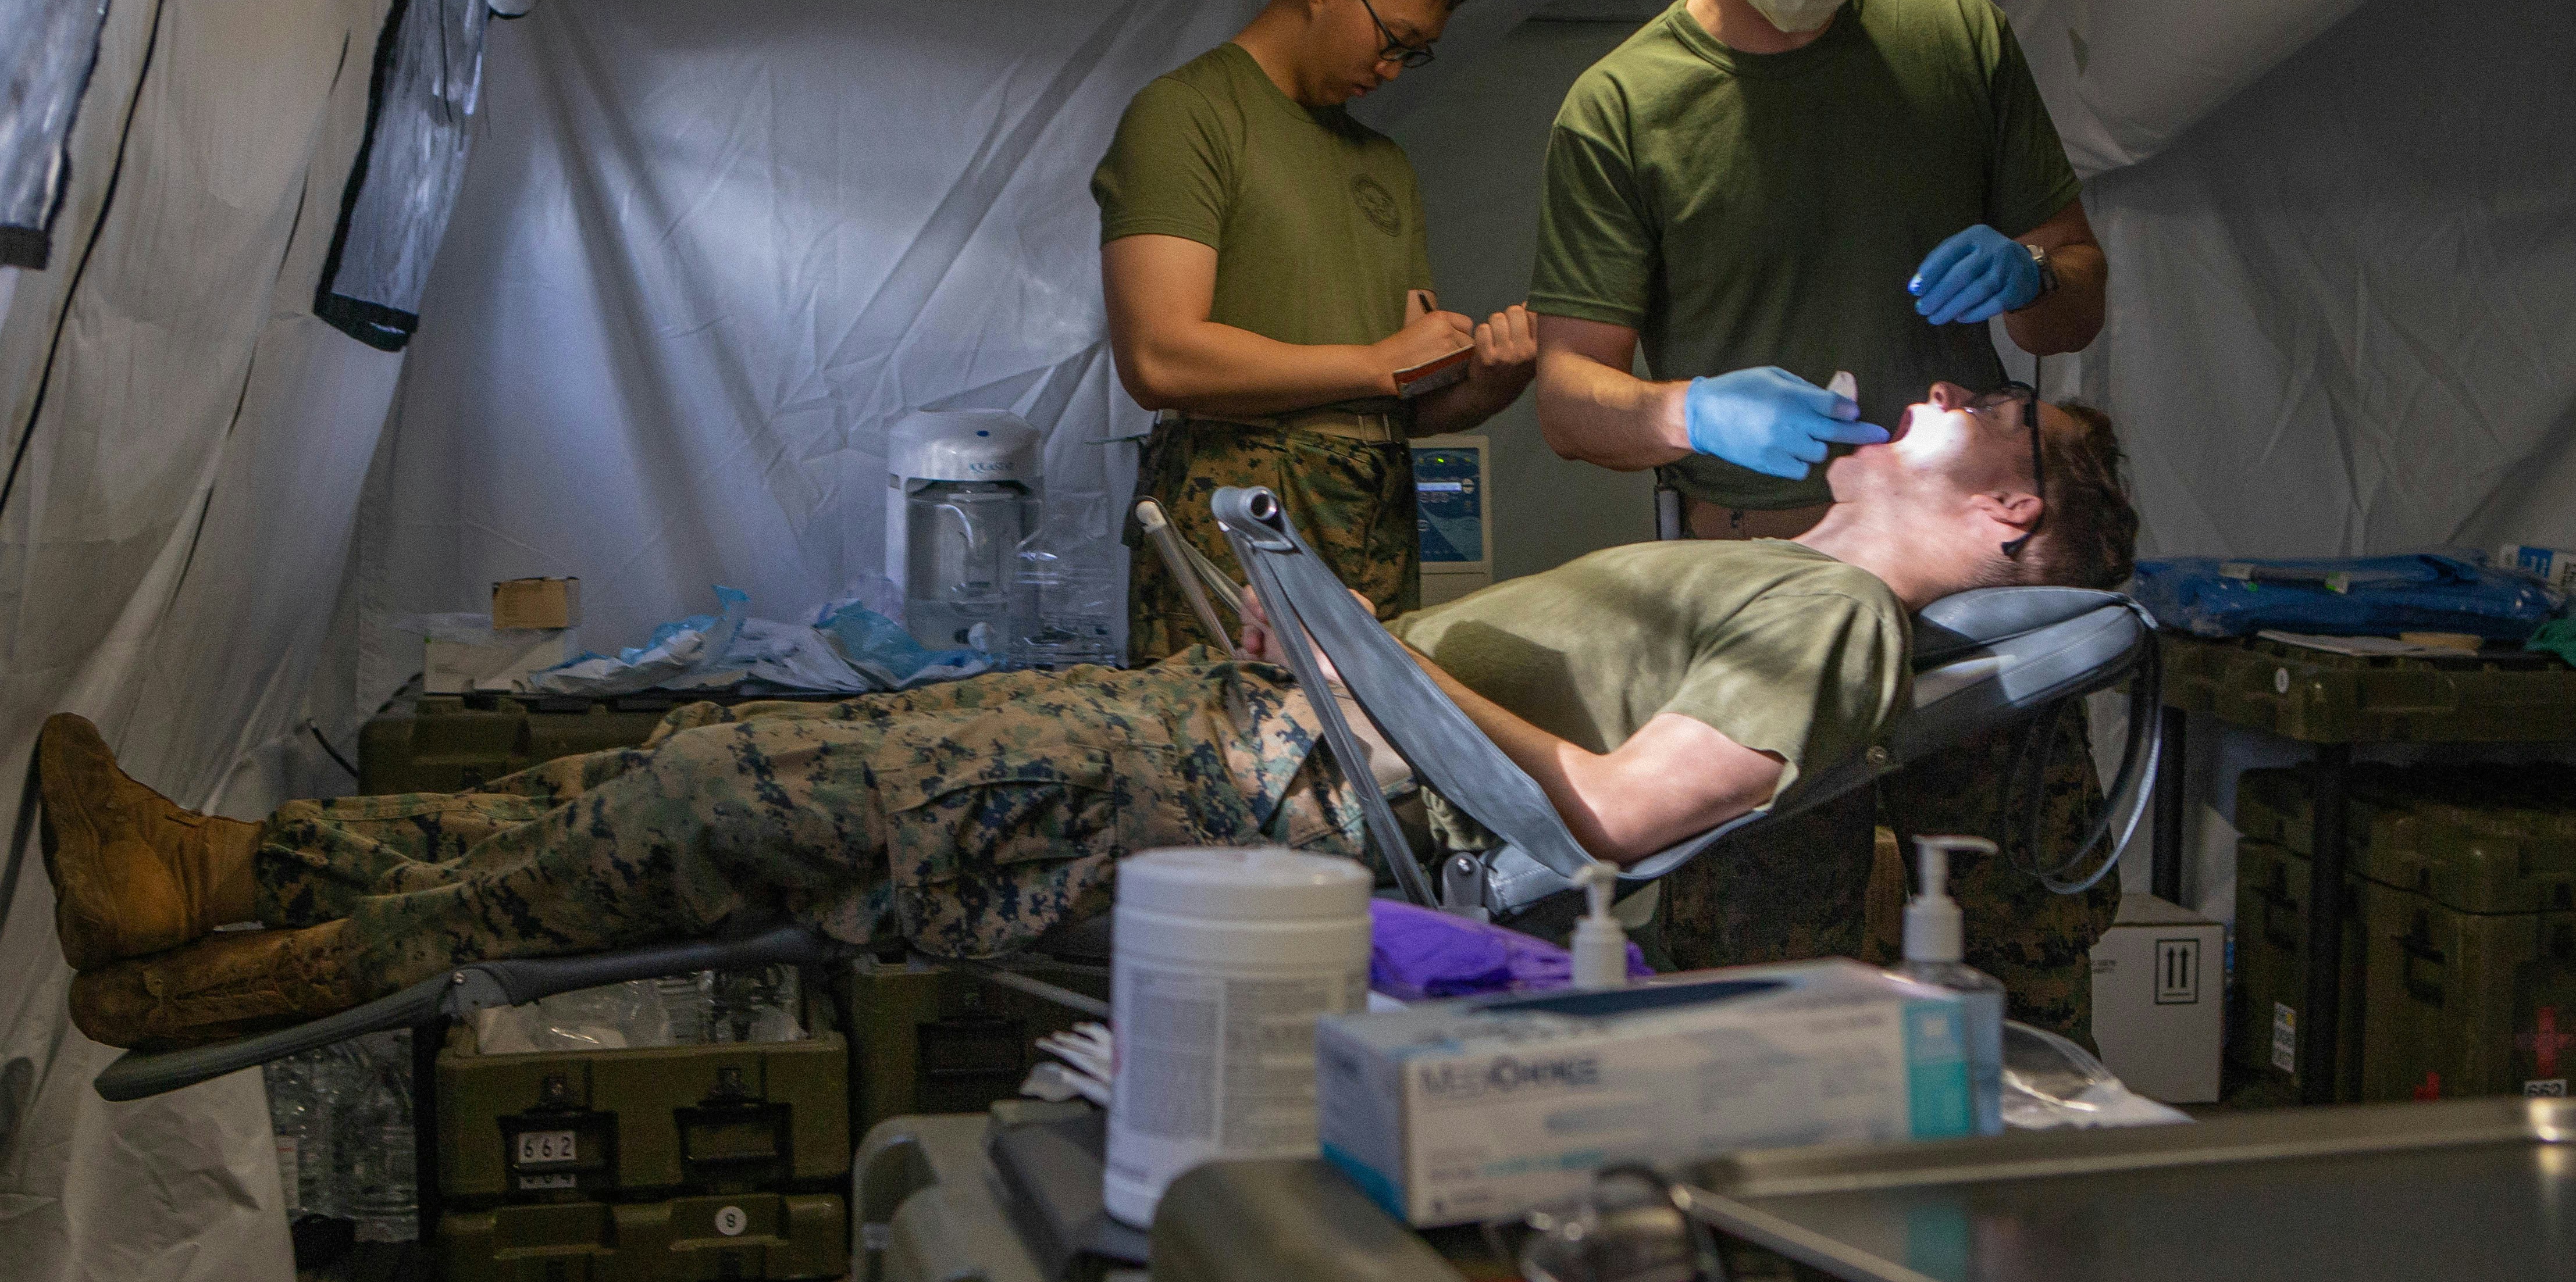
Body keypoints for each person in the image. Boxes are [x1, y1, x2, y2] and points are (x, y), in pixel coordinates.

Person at [44, 384, 2132, 1051]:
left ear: (2009, 502)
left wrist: (1359, 655)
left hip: (1274, 777)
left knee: (720, 807)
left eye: (1956, 399)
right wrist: (1318, 629)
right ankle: (217, 873)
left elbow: (1607, 817)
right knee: (670, 773)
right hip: (1249, 722)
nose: (1899, 382)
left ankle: (236, 960)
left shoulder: (1833, 620)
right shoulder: (1792, 568)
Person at [1527, 0, 2118, 1041]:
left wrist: (2029, 268)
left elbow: (2079, 288)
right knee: (1753, 1009)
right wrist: (1692, 412)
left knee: (2023, 982)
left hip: (1969, 623)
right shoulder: (1626, 108)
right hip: (1760, 605)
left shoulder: (1951, 40)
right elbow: (1569, 399)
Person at [1094, 0, 1537, 665]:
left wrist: (1484, 387)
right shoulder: (1186, 115)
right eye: (1392, 38)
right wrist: (1374, 364)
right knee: (1232, 773)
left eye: (1416, 52)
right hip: (1238, 522)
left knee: (1373, 769)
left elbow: (1406, 395)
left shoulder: (1384, 163)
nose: (1395, 69)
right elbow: (1159, 357)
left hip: (1372, 527)